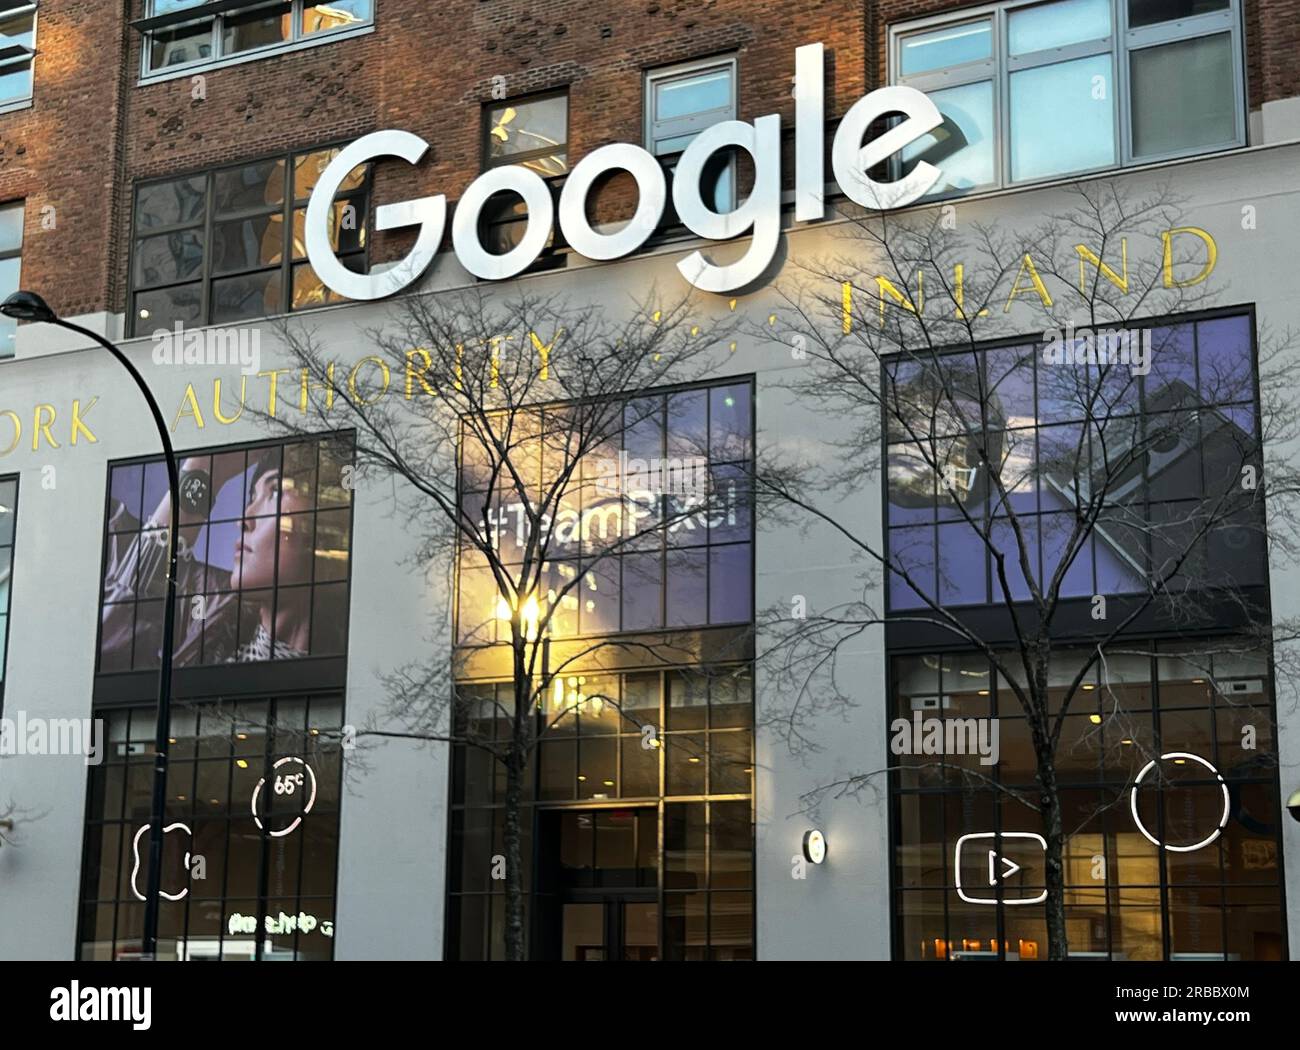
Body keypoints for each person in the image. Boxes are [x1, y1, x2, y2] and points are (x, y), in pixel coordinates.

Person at [101, 447, 316, 666]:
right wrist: (204, 471)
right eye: (252, 497)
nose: (244, 520)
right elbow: (112, 644)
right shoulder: (211, 611)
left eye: (276, 492)